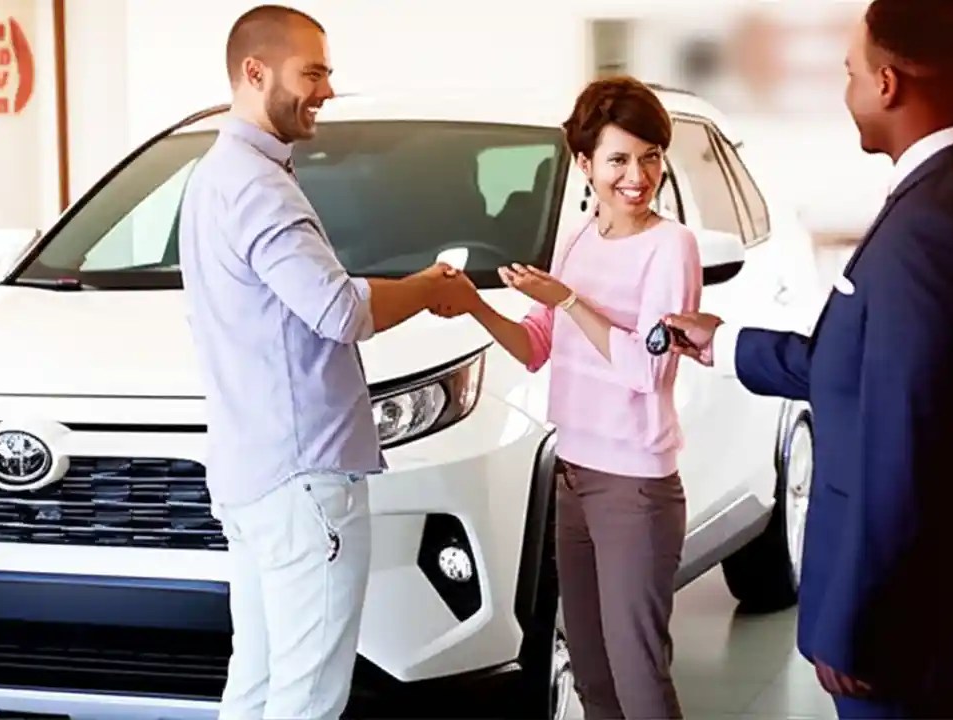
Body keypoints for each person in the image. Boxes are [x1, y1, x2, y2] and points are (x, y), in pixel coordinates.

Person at [662, 0, 953, 717]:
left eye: (850, 73)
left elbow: (905, 448)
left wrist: (856, 622)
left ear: (888, 85)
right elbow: (870, 371)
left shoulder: (936, 228)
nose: (847, 95)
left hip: (920, 634)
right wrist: (725, 343)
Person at [177, 5, 475, 719]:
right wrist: (429, 289)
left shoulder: (213, 177)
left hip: (253, 476)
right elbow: (339, 311)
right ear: (255, 72)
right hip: (304, 481)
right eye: (312, 72)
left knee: (255, 684)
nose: (327, 90)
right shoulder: (258, 186)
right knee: (308, 696)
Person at [438, 76, 699, 720]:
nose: (637, 175)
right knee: (588, 669)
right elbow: (534, 345)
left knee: (638, 673)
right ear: (585, 165)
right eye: (618, 159)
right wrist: (474, 306)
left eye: (650, 157)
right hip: (574, 479)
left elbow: (649, 369)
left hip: (635, 488)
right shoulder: (577, 240)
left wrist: (572, 301)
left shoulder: (672, 247)